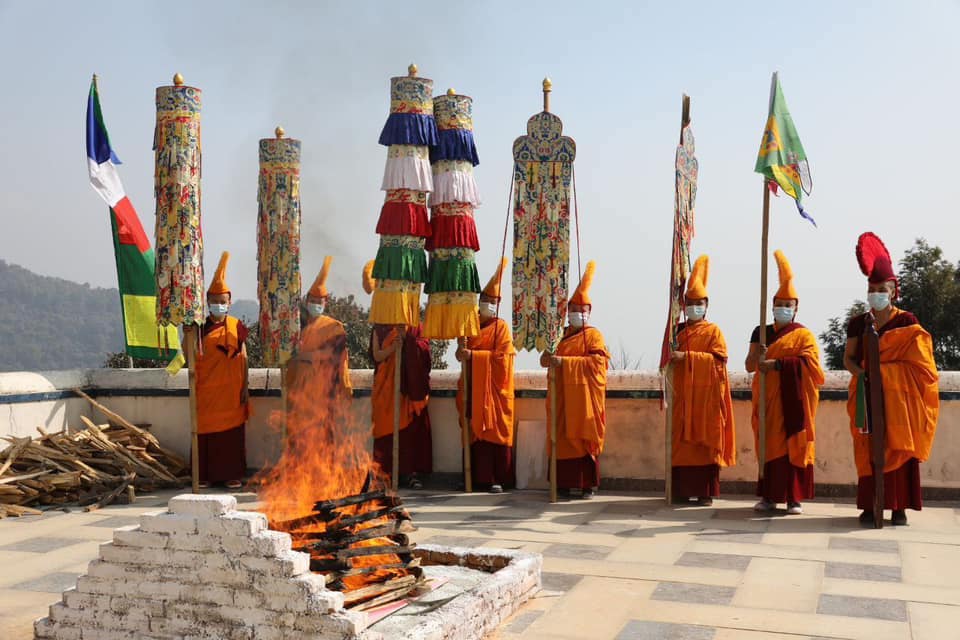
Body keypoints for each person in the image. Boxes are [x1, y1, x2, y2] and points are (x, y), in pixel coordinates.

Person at [843, 232, 939, 526]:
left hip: (901, 401)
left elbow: (923, 368)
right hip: (867, 395)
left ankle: (899, 507)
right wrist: (864, 375)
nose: (876, 294)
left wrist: (884, 373)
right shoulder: (858, 324)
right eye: (871, 290)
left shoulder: (907, 323)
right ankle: (870, 506)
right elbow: (849, 359)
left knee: (899, 446)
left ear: (893, 291)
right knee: (869, 448)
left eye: (881, 289)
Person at [745, 250, 824, 514]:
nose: (783, 309)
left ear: (796, 308)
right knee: (769, 447)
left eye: (788, 305)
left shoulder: (803, 335)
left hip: (795, 402)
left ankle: (794, 499)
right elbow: (749, 366)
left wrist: (779, 364)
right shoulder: (761, 331)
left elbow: (813, 368)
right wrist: (758, 356)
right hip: (768, 402)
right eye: (779, 304)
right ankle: (769, 497)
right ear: (772, 306)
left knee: (794, 445)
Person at [541, 261, 611, 499]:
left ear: (589, 311)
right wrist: (549, 357)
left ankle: (585, 485)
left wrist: (565, 363)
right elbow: (546, 360)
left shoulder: (594, 336)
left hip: (584, 401)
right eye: (573, 309)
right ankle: (560, 484)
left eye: (582, 309)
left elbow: (598, 364)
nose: (577, 313)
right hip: (561, 398)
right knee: (560, 438)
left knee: (581, 439)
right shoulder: (559, 336)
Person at [669, 255, 736, 506]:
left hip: (707, 401)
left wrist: (686, 357)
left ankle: (705, 492)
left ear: (706, 305)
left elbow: (719, 363)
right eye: (690, 303)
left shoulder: (713, 331)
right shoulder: (677, 331)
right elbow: (667, 360)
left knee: (706, 444)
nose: (694, 307)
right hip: (683, 399)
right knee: (681, 445)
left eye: (699, 303)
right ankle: (681, 490)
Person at [363, 261, 433, 488]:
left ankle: (409, 473)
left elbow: (425, 351)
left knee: (409, 432)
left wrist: (409, 340)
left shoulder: (413, 326)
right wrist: (395, 347)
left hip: (406, 389)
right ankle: (383, 473)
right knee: (385, 429)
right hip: (385, 391)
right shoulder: (380, 327)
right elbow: (376, 356)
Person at [456, 258, 516, 493]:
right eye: (486, 300)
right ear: (479, 300)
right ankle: (472, 478)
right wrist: (462, 352)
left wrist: (474, 356)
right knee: (472, 430)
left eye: (493, 302)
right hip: (472, 388)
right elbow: (461, 355)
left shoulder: (501, 327)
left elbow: (503, 358)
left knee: (493, 431)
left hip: (494, 392)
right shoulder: (468, 325)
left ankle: (496, 478)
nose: (489, 304)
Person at [195, 252, 250, 490]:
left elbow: (244, 357)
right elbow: (190, 356)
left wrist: (245, 387)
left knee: (231, 436)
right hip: (206, 392)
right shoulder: (199, 328)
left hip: (231, 392)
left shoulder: (236, 326)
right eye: (215, 300)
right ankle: (204, 475)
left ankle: (231, 475)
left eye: (223, 300)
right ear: (208, 302)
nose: (219, 304)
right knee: (205, 433)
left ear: (229, 302)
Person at [286, 256, 353, 445]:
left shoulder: (334, 327)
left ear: (325, 302)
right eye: (312, 300)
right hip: (300, 392)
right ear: (306, 301)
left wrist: (306, 356)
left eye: (319, 301)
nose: (315, 304)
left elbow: (334, 356)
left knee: (323, 439)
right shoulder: (297, 327)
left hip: (323, 391)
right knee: (299, 440)